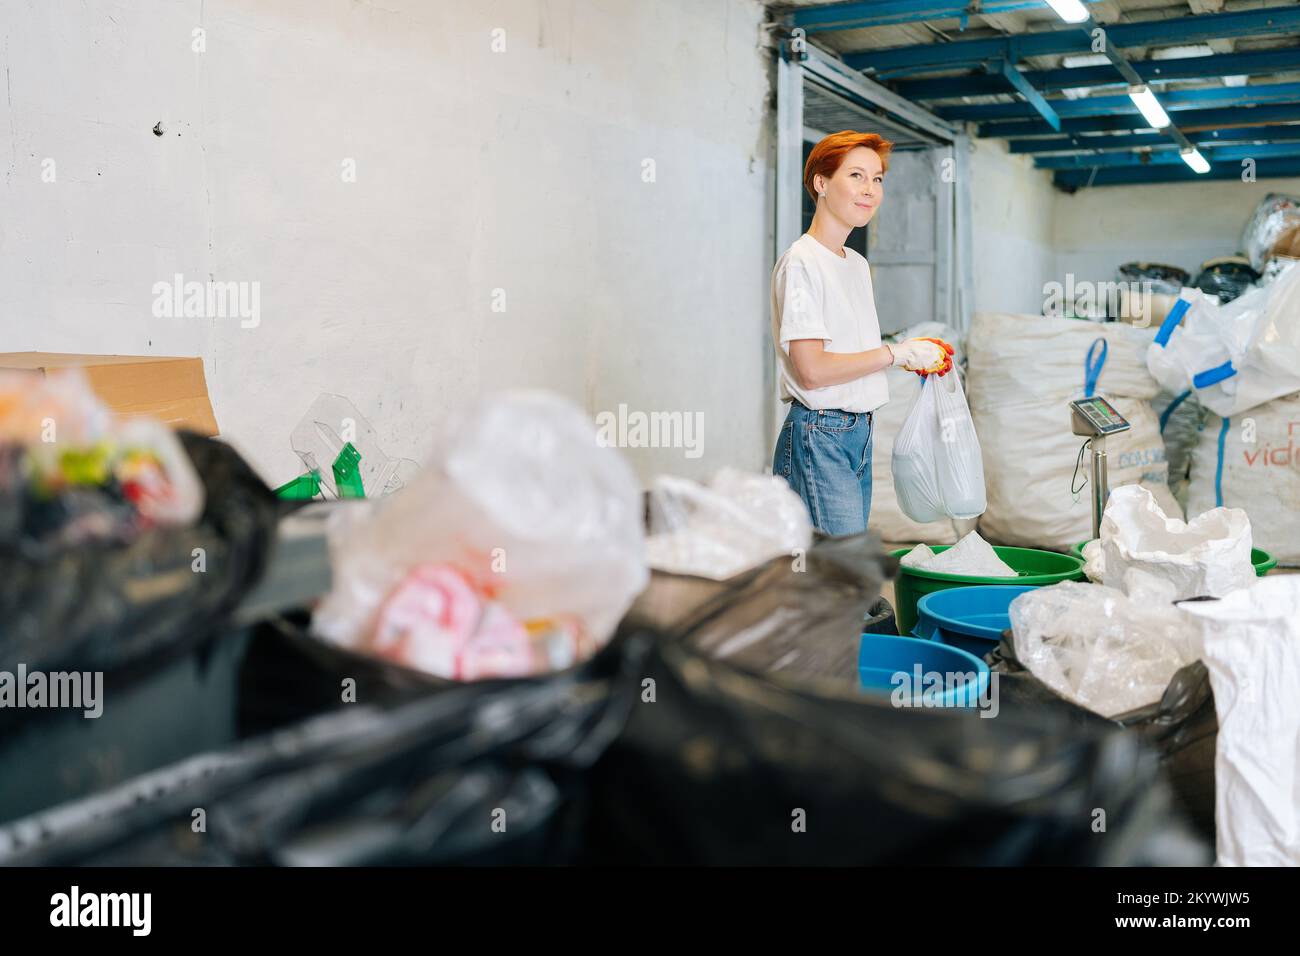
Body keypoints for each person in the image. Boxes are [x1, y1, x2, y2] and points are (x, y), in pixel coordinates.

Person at [771, 130, 952, 536]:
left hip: (859, 431)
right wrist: (895, 354)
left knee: (835, 573)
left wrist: (914, 356)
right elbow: (812, 370)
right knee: (839, 575)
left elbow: (853, 354)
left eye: (878, 178)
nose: (869, 190)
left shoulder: (853, 263)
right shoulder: (801, 263)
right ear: (821, 183)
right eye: (855, 176)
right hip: (819, 433)